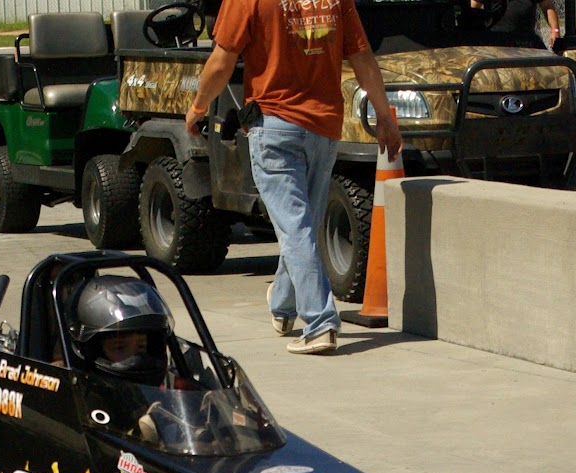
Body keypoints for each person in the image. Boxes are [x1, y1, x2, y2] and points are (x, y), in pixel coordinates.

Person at [184, 0, 403, 357]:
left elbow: (222, 61)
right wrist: (384, 115)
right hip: (324, 127)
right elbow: (362, 57)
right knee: (302, 223)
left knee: (295, 226)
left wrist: (197, 107)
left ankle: (319, 322)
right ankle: (283, 304)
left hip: (274, 127)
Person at [70, 276, 174, 386]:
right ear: (92, 349)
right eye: (120, 347)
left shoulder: (170, 394)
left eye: (141, 347)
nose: (136, 360)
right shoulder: (76, 398)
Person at [471, 0, 560, 49]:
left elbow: (547, 6)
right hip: (496, 42)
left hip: (526, 41)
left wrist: (555, 30)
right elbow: (473, 6)